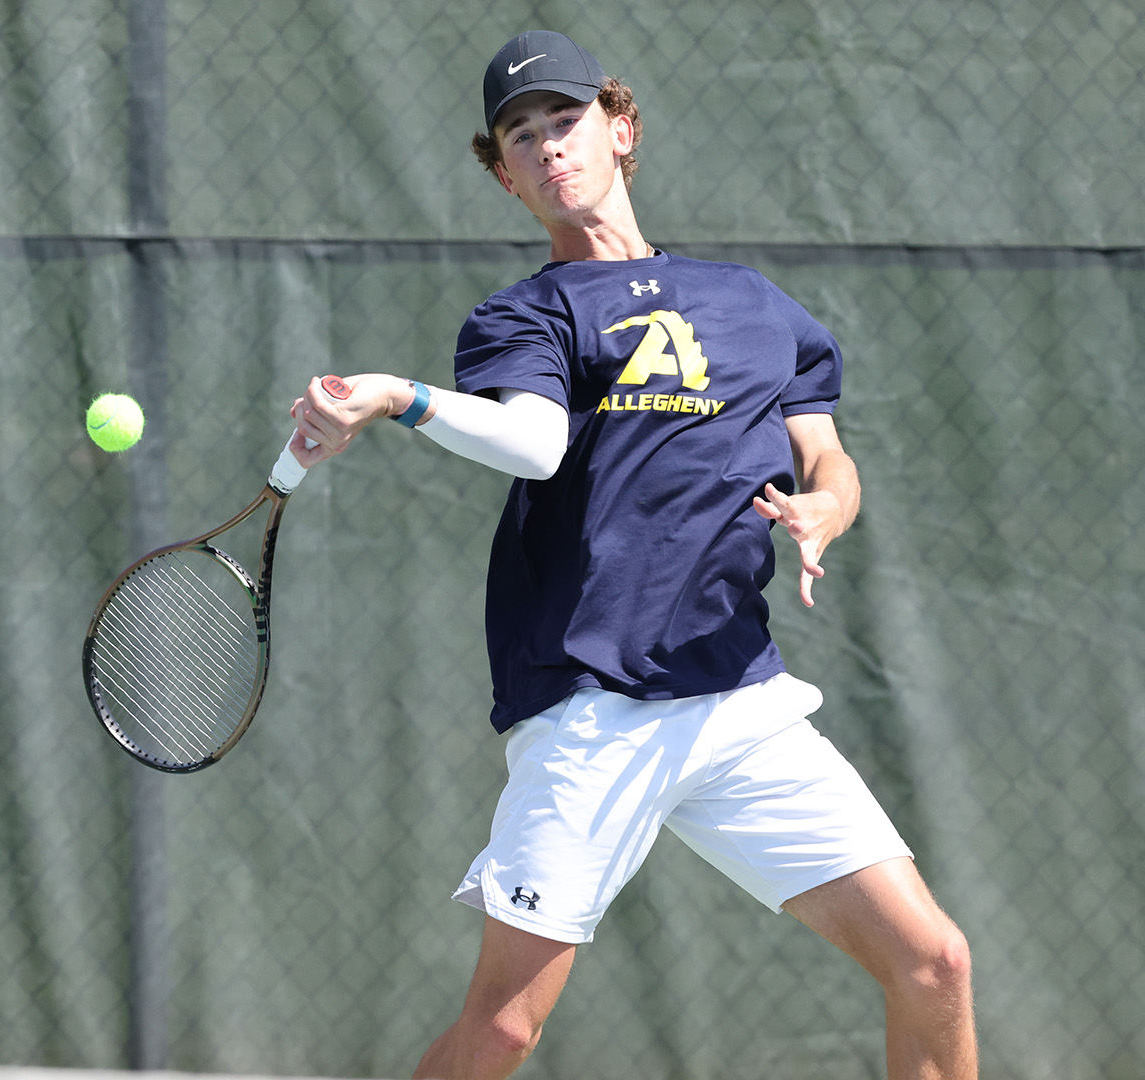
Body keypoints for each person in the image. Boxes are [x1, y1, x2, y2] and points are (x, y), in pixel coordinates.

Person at [290, 30, 976, 1080]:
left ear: (620, 128)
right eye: (522, 137)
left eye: (565, 121)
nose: (549, 148)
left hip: (735, 696)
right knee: (504, 1029)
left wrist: (826, 511)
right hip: (592, 707)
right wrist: (400, 396)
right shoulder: (525, 315)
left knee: (933, 964)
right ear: (505, 174)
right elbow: (532, 440)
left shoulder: (755, 305)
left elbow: (829, 457)